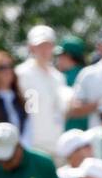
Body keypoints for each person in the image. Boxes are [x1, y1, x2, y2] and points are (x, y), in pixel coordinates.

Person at [15, 25, 67, 156]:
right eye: (40, 46)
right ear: (31, 47)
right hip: (33, 144)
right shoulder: (21, 73)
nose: (44, 50)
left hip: (57, 144)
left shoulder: (58, 77)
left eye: (48, 46)